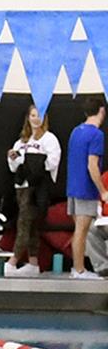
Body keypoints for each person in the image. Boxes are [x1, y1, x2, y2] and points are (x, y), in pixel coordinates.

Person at [6, 104, 60, 276]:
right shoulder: (21, 141)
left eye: (39, 115)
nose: (36, 119)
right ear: (28, 117)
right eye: (33, 115)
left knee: (25, 223)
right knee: (29, 226)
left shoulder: (49, 139)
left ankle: (12, 261)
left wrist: (33, 163)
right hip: (21, 187)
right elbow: (13, 168)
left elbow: (52, 162)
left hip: (36, 188)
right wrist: (13, 158)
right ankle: (33, 262)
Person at [67, 96, 106, 279]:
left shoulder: (76, 131)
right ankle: (79, 269)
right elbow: (92, 165)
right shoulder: (97, 134)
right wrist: (102, 191)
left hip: (73, 187)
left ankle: (78, 268)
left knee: (79, 231)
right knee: (82, 232)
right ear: (102, 111)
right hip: (85, 189)